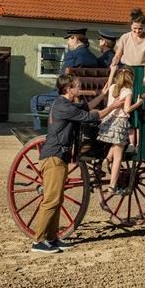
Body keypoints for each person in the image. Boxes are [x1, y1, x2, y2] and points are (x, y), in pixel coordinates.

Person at [29, 72, 111, 253]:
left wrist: (102, 96)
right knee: (51, 200)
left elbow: (86, 107)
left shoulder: (66, 104)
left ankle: (52, 238)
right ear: (68, 89)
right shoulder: (62, 106)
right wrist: (113, 107)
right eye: (77, 85)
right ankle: (38, 241)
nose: (79, 88)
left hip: (60, 157)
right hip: (54, 157)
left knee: (57, 200)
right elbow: (90, 116)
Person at [96, 67, 142, 194]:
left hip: (108, 122)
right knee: (118, 157)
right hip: (119, 123)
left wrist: (112, 70)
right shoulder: (128, 91)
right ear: (130, 78)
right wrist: (137, 104)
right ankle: (112, 186)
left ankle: (106, 159)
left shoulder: (113, 88)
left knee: (115, 145)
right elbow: (127, 110)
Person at [109, 8, 145, 91]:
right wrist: (114, 62)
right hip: (127, 71)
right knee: (126, 95)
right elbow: (118, 55)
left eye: (140, 28)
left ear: (144, 26)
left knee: (144, 98)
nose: (137, 31)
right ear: (131, 25)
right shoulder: (125, 37)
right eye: (135, 28)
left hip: (142, 71)